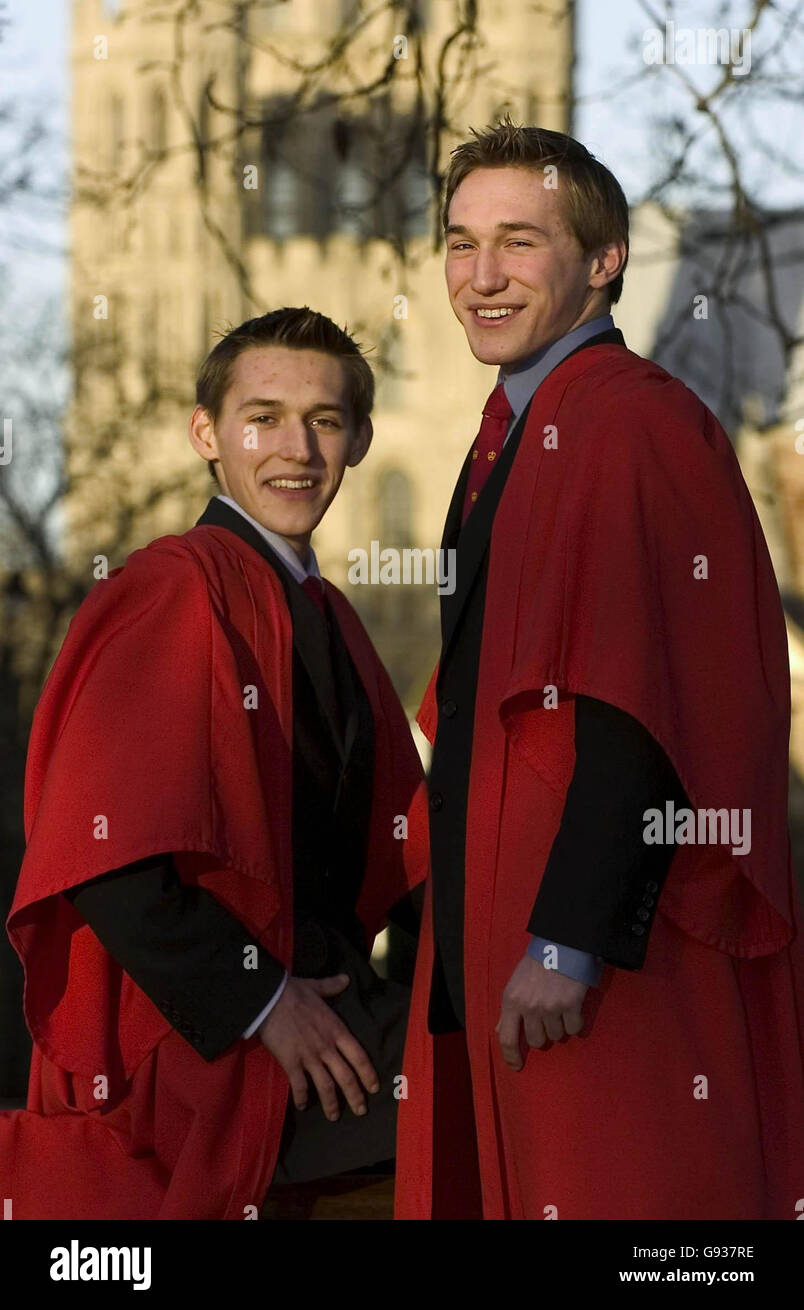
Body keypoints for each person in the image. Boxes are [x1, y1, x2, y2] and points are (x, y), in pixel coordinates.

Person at [394, 118, 804, 1220]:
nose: (481, 276)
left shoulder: (631, 425)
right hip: (498, 948)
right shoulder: (513, 435)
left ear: (604, 259)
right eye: (461, 242)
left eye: (520, 242)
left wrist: (566, 941)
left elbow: (648, 696)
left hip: (602, 963)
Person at [1, 306, 427, 1220]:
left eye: (323, 421)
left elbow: (412, 858)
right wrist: (266, 1002)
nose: (297, 449)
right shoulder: (171, 590)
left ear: (359, 439)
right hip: (207, 1032)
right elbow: (107, 863)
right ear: (208, 433)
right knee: (496, 1096)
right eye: (263, 417)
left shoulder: (334, 617)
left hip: (325, 1004)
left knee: (539, 1066)